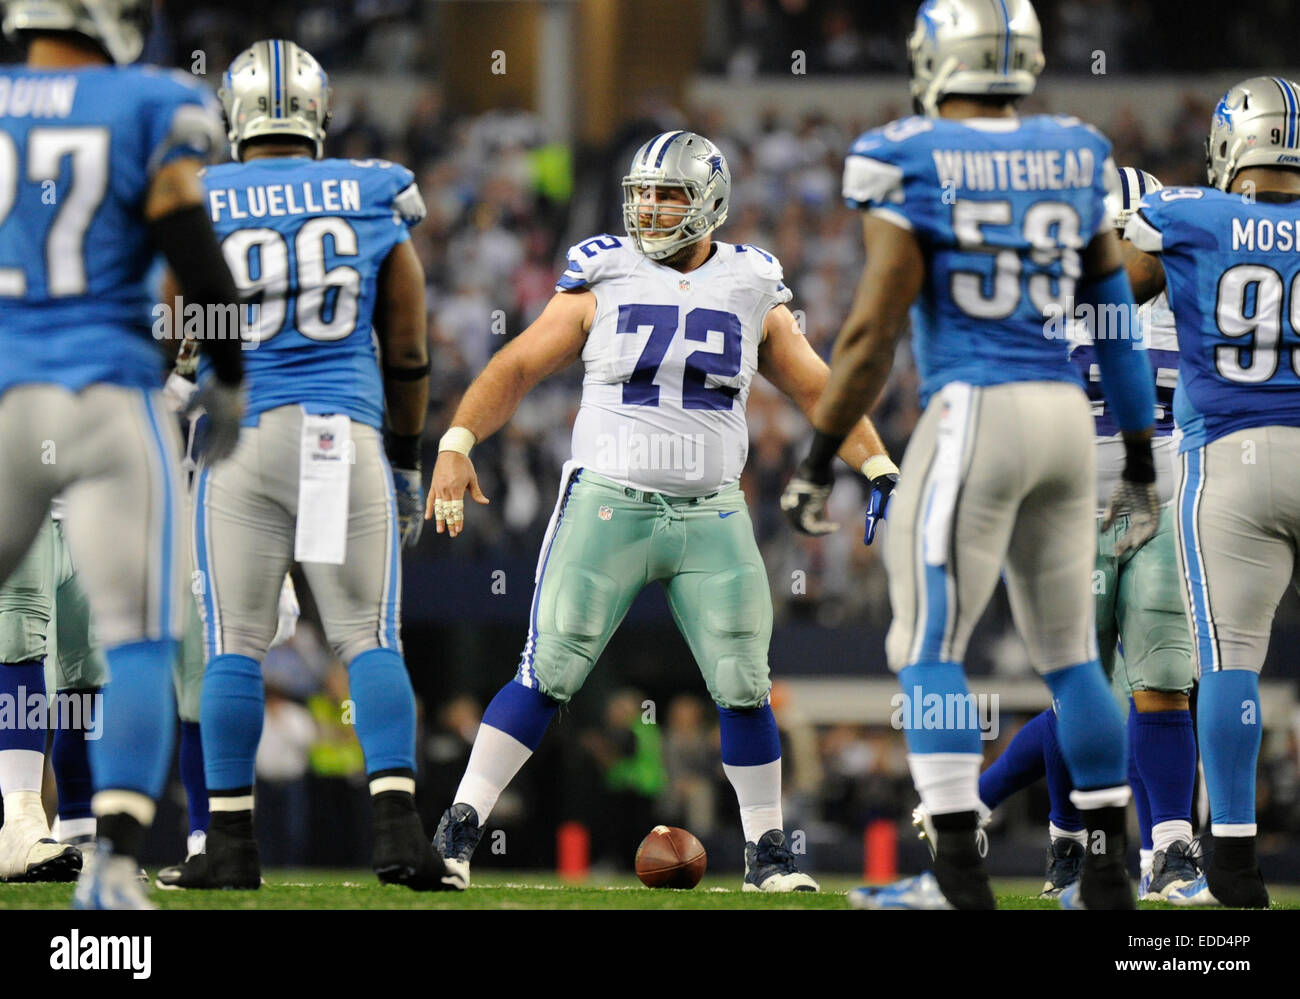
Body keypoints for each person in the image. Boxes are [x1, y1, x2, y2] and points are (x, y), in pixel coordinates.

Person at [426, 129, 899, 892]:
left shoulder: (750, 281)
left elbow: (819, 386)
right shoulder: (602, 270)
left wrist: (875, 460)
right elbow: (516, 363)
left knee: (745, 678)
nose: (649, 208)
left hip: (713, 510)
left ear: (709, 199)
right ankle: (456, 832)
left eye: (667, 193)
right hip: (608, 502)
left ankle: (767, 852)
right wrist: (457, 438)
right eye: (642, 193)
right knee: (548, 667)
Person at [782, 0, 1157, 910]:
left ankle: (955, 874)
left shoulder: (905, 154)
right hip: (1068, 414)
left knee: (927, 640)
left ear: (934, 59)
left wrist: (819, 451)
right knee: (1070, 654)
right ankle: (1108, 869)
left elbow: (871, 331)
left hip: (976, 407)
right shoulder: (1074, 150)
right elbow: (1115, 322)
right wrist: (1140, 455)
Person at [154, 39, 441, 891]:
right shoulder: (372, 186)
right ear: (317, 112)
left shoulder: (202, 192)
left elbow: (175, 325)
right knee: (367, 636)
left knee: (234, 644)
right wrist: (405, 457)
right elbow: (409, 340)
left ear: (233, 115)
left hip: (240, 439)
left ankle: (231, 846)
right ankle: (398, 831)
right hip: (341, 433)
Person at [0, 0, 243, 909]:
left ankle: (37, 820)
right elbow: (188, 237)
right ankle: (108, 869)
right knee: (138, 638)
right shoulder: (150, 100)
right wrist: (227, 373)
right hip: (109, 394)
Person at [943, 167, 1200, 902]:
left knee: (1162, 681)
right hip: (1065, 517)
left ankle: (1169, 850)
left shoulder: (1189, 301)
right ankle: (1062, 837)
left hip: (1158, 504)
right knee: (1086, 697)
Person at [1123, 76, 1300, 909]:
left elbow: (1117, 292)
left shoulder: (1189, 211)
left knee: (1229, 661)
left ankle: (1232, 863)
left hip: (1229, 459)